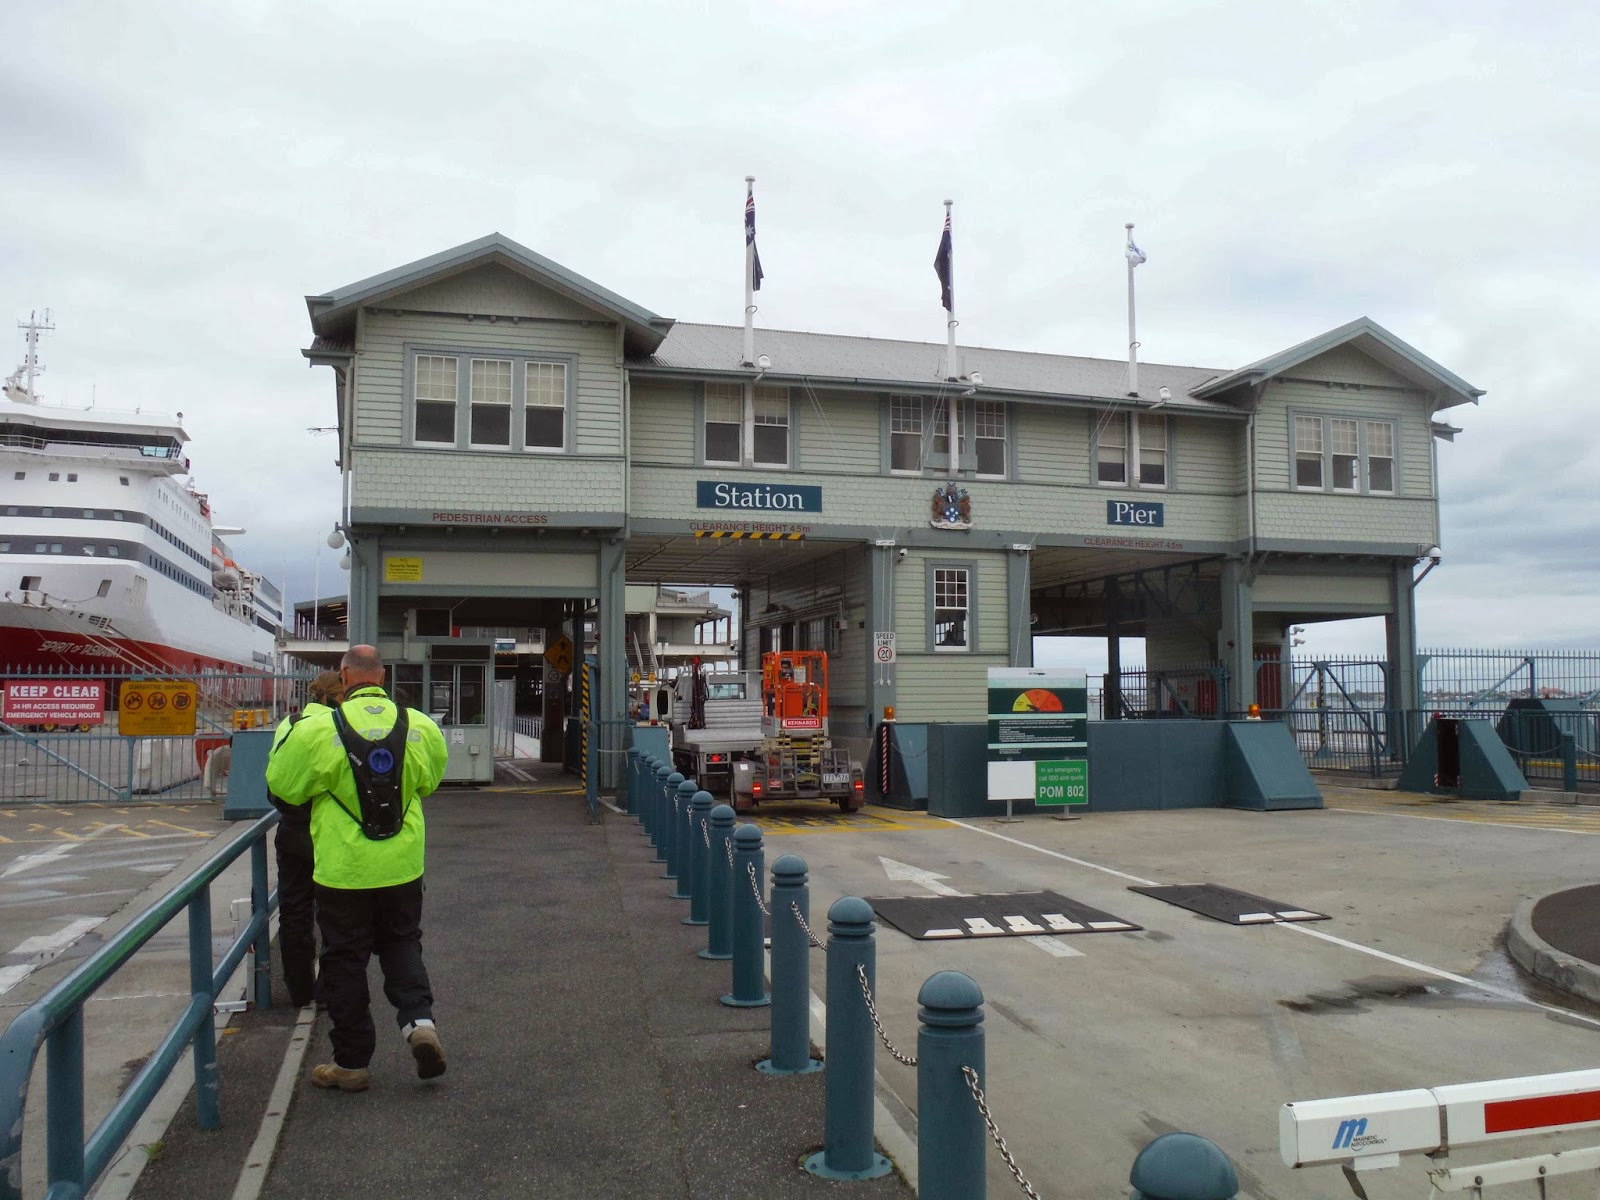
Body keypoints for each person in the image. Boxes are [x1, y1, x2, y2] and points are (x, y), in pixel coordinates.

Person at [265, 644, 450, 1093]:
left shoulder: (316, 729)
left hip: (342, 870)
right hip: (402, 866)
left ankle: (351, 1063)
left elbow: (282, 788)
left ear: (344, 677)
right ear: (382, 677)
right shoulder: (420, 725)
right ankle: (419, 1024)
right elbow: (429, 782)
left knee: (344, 958)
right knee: (402, 942)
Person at [267, 670, 345, 1009]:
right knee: (335, 913)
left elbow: (276, 776)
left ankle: (298, 989)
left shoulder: (289, 724)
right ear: (338, 697)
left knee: (294, 910)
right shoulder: (339, 728)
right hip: (328, 831)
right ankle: (328, 989)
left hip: (291, 830)